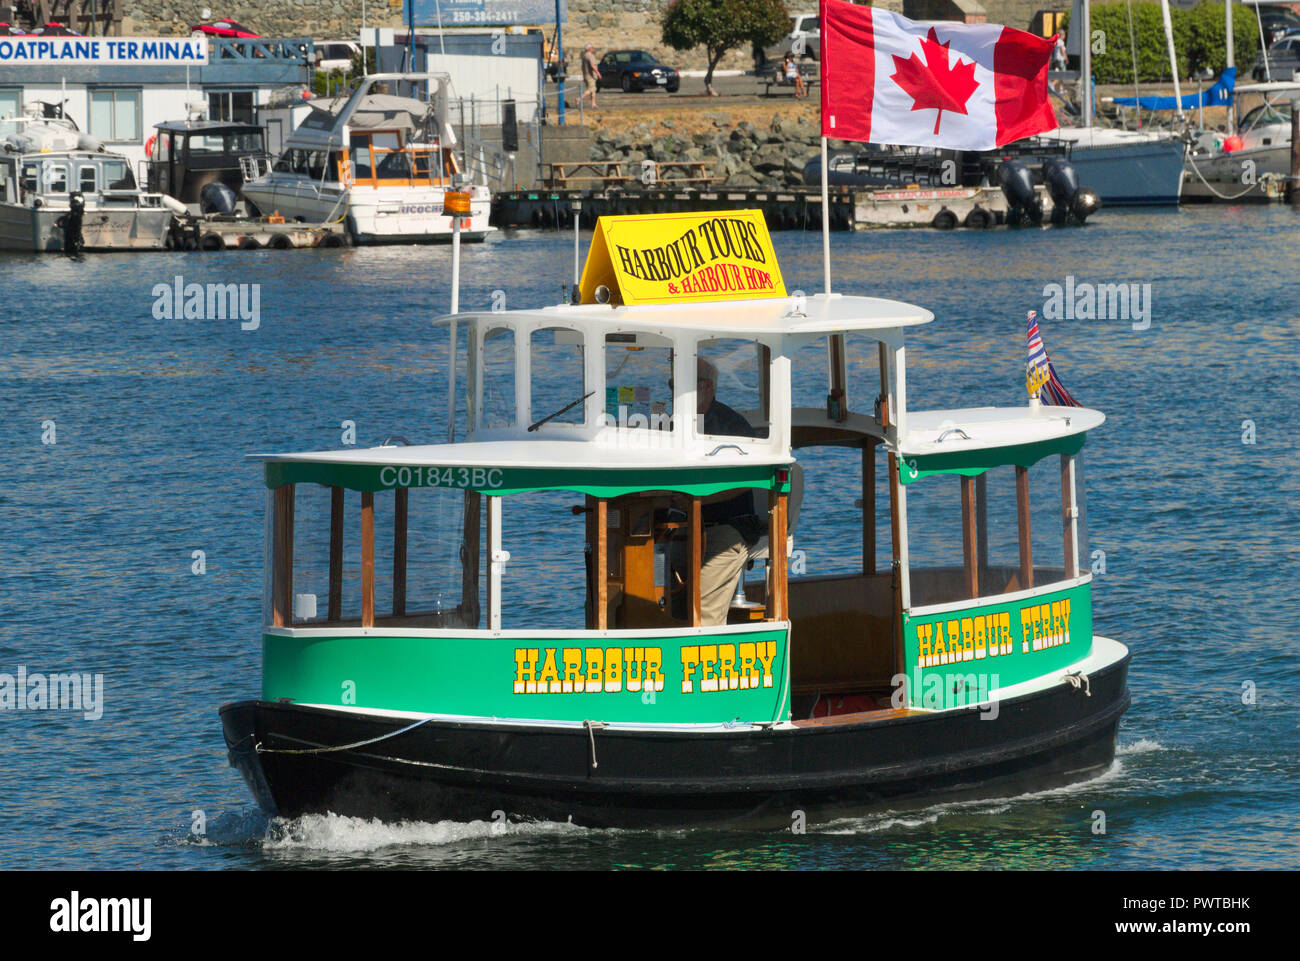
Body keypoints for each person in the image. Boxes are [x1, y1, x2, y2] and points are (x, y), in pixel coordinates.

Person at [673, 358, 766, 626]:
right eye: (673, 385)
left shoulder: (732, 427)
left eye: (683, 386)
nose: (675, 393)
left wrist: (696, 501)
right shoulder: (675, 425)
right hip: (687, 525)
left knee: (703, 610)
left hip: (728, 529)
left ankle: (705, 661)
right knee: (659, 590)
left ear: (707, 388)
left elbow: (744, 483)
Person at [580, 44, 601, 108]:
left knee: (593, 90)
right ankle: (579, 99)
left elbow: (582, 67)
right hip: (590, 75)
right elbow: (593, 66)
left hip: (586, 75)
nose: (593, 49)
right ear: (589, 49)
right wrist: (598, 73)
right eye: (592, 47)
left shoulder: (584, 56)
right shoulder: (590, 56)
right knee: (591, 89)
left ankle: (593, 104)